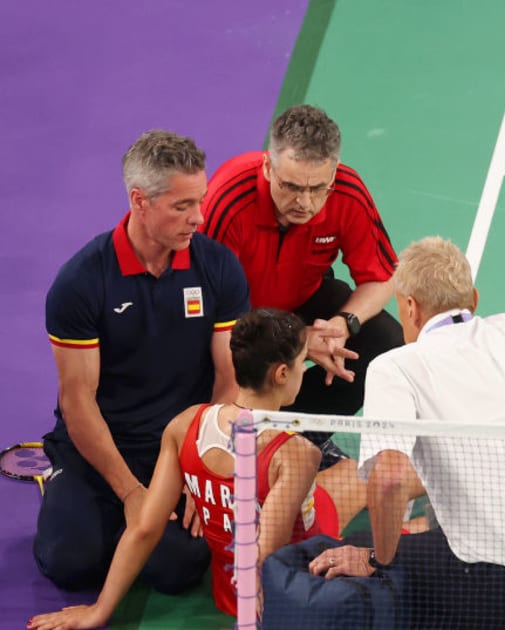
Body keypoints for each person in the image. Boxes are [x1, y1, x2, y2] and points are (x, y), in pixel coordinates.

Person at [307, 237, 505, 629]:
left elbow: (388, 481)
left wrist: (377, 562)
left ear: (411, 307)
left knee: (372, 544)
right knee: (445, 551)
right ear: (474, 299)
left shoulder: (395, 367)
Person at [29, 308, 360, 629]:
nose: (303, 371)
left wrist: (100, 610)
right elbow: (264, 558)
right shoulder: (298, 453)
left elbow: (144, 528)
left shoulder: (185, 424)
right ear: (282, 374)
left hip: (228, 593)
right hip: (292, 593)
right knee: (375, 474)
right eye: (302, 363)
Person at [35, 130, 250, 595]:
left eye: (201, 201)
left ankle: (119, 530)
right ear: (140, 201)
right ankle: (74, 495)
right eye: (182, 206)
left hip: (174, 446)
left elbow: (230, 379)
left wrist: (201, 464)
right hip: (97, 444)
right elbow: (77, 401)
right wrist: (132, 493)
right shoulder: (82, 281)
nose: (199, 217)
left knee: (178, 567)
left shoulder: (218, 268)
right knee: (68, 564)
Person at [201, 104, 404, 461]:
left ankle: (298, 438)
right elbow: (208, 309)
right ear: (267, 166)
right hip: (234, 314)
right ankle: (223, 438)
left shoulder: (347, 193)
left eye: (317, 188)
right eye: (290, 186)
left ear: (334, 173)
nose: (304, 202)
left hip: (302, 295)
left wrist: (341, 325)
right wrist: (296, 342)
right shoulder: (229, 201)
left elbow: (383, 277)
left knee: (382, 340)